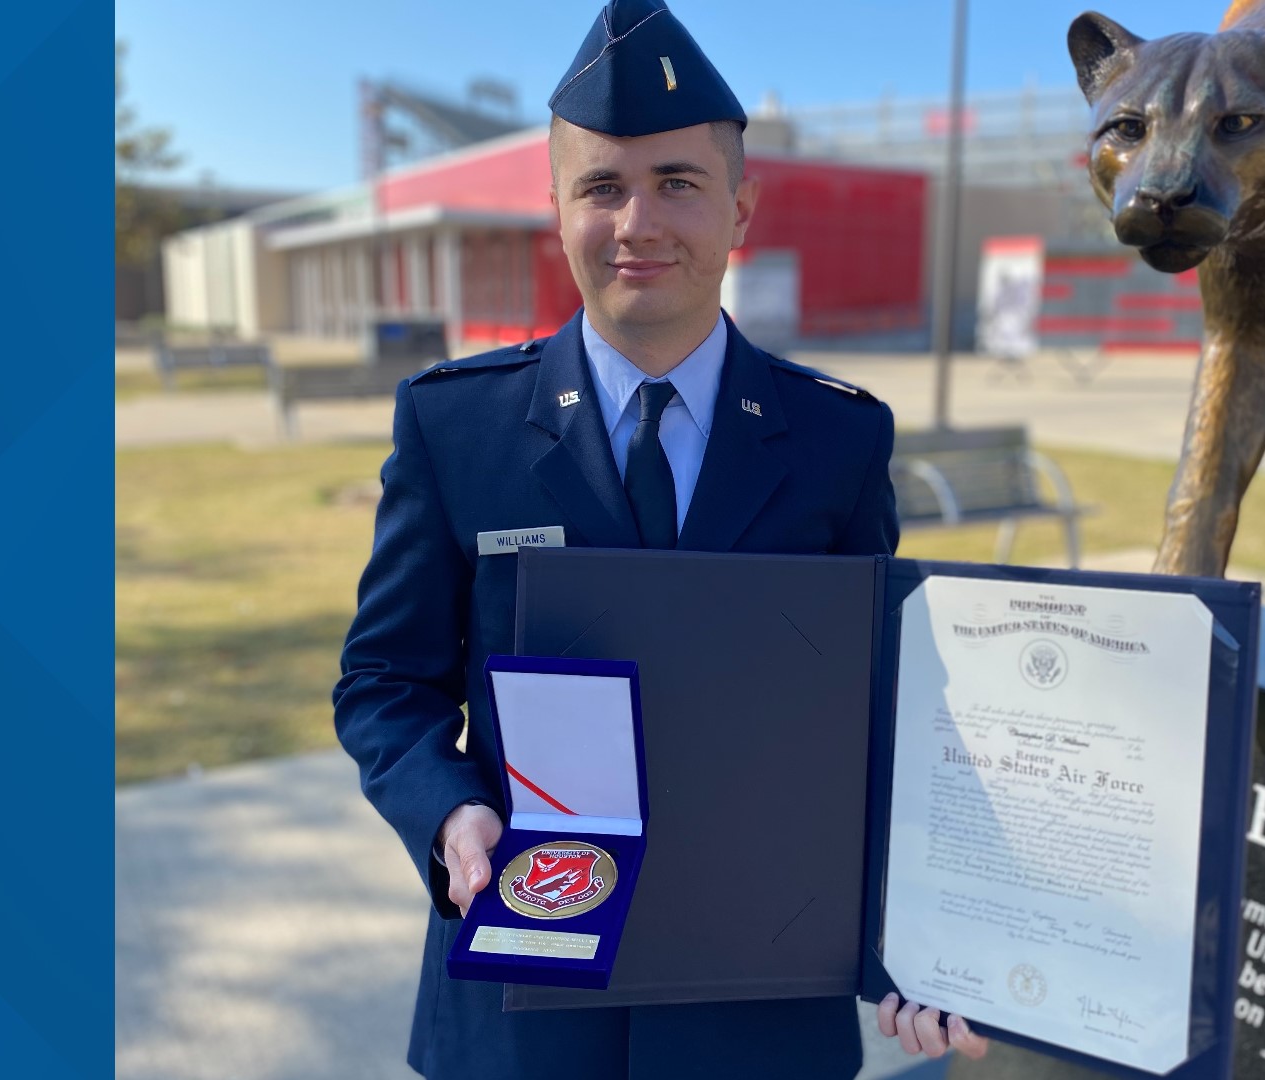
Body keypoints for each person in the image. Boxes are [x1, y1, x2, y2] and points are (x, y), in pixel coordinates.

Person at [334, 1, 987, 1075]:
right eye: (602, 186)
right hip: (530, 978)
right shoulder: (457, 425)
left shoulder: (837, 437)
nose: (639, 221)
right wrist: (449, 816)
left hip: (756, 992)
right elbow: (383, 682)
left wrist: (926, 942)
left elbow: (884, 710)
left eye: (678, 181)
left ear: (740, 209)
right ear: (556, 210)